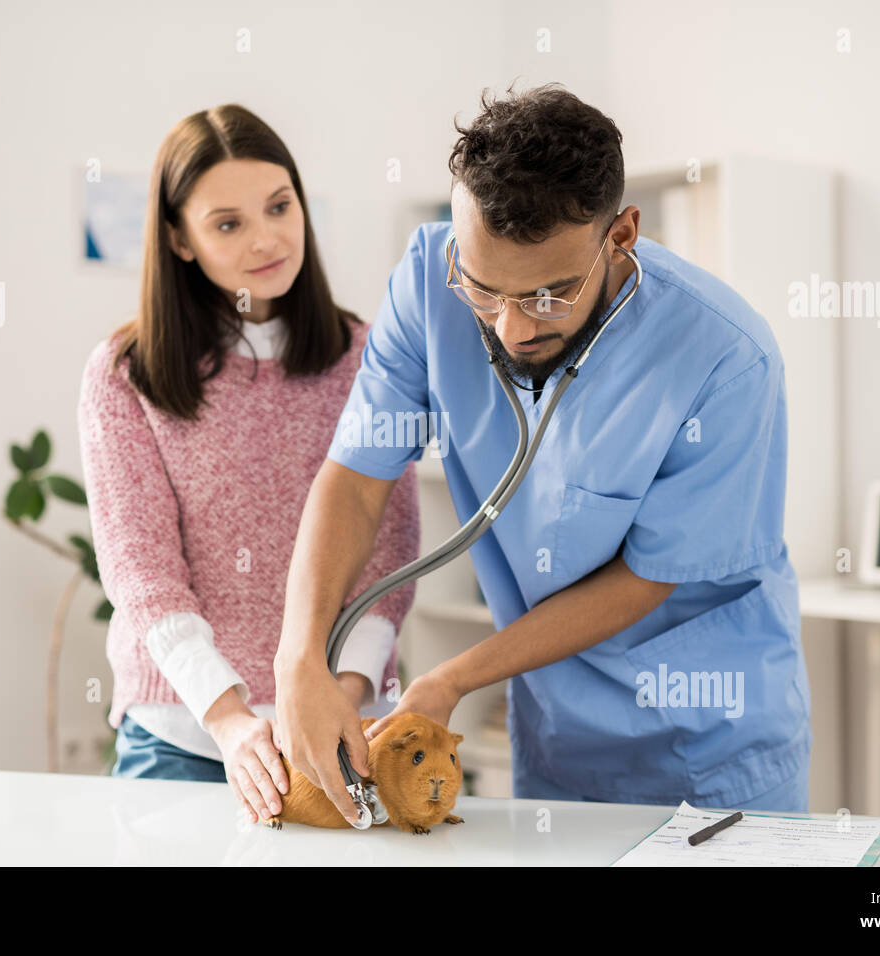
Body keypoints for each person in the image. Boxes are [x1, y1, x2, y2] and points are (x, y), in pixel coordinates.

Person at [275, 83, 812, 825]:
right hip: (557, 732)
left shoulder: (726, 358)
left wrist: (451, 679)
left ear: (620, 235)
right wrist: (298, 659)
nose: (512, 329)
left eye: (551, 295)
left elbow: (645, 581)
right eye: (484, 291)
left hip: (708, 744)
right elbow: (360, 476)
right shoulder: (429, 282)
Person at [76, 104, 419, 826]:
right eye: (228, 223)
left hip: (347, 727)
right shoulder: (124, 374)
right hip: (185, 736)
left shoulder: (368, 355)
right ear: (179, 239)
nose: (267, 238)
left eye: (279, 206)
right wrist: (230, 720)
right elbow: (142, 574)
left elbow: (389, 556)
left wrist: (342, 697)